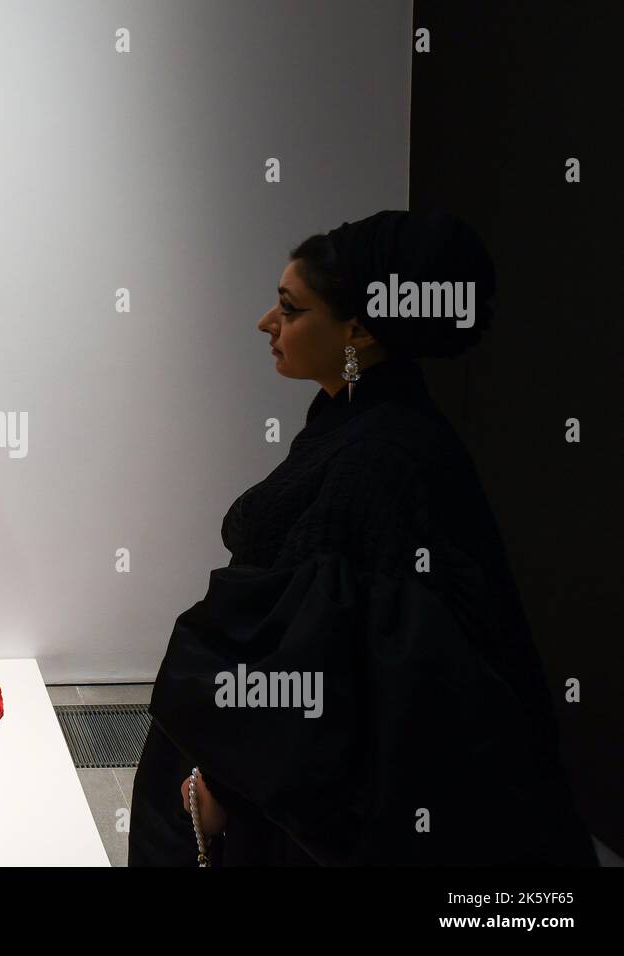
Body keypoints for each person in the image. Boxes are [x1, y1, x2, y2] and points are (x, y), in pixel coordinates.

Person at [128, 209, 598, 866]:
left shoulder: (378, 458)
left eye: (290, 309)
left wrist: (222, 786)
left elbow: (329, 669)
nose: (267, 323)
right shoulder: (361, 417)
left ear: (359, 329)